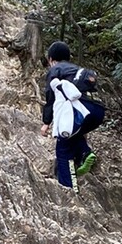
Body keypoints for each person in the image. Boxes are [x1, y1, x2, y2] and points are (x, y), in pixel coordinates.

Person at [40, 41, 105, 191]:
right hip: (98, 111)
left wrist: (46, 122)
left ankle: (68, 189)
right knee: (73, 135)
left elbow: (50, 97)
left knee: (63, 149)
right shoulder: (77, 70)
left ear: (51, 59)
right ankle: (85, 152)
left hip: (80, 109)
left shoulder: (55, 69)